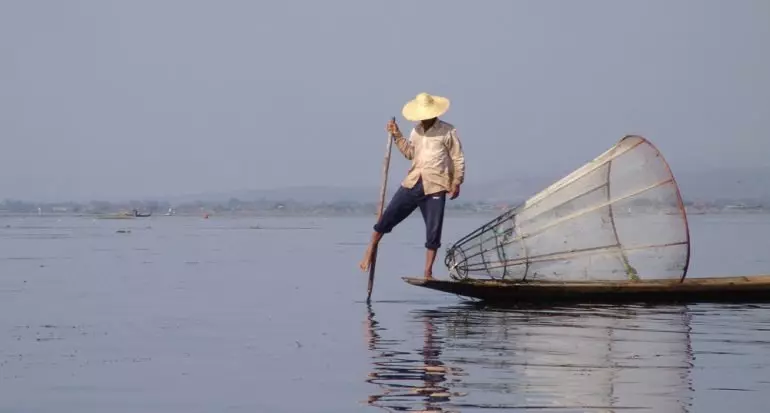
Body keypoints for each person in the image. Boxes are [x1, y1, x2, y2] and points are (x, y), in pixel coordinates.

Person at [359, 92, 465, 280]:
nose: (424, 118)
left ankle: (428, 272)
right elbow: (409, 153)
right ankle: (370, 250)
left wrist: (456, 182)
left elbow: (457, 158)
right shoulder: (416, 132)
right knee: (386, 219)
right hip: (413, 182)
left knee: (434, 232)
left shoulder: (448, 131)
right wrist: (396, 134)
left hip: (436, 185)